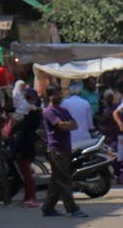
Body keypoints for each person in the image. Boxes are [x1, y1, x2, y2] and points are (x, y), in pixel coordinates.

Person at [41, 84, 88, 218]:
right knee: (64, 180)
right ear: (50, 96)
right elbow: (60, 125)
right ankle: (72, 208)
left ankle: (48, 207)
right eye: (57, 94)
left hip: (65, 148)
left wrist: (68, 125)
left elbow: (74, 124)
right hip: (56, 150)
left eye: (60, 93)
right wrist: (67, 125)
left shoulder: (63, 110)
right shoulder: (49, 111)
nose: (60, 96)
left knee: (57, 180)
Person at [8, 88, 43, 207]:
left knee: (26, 173)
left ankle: (31, 197)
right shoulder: (34, 112)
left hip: (23, 146)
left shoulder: (28, 115)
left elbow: (16, 122)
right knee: (26, 172)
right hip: (27, 145)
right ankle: (28, 197)